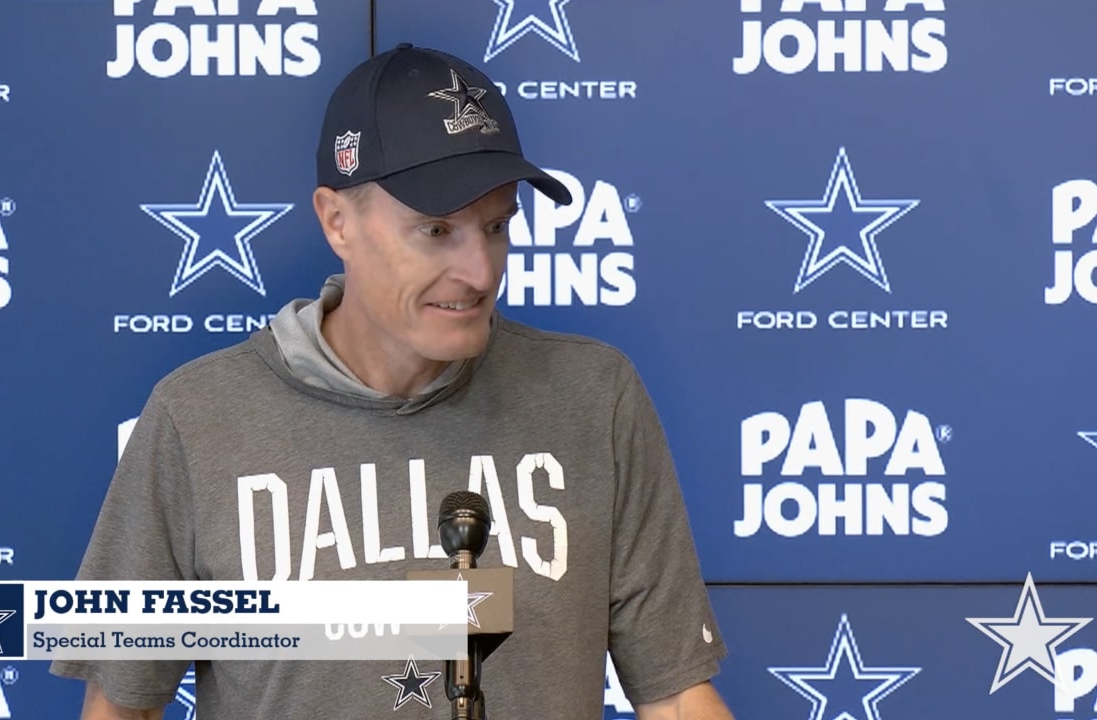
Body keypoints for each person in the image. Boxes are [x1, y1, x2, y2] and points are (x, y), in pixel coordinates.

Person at [50, 43, 735, 720]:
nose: (479, 270)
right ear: (336, 220)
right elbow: (123, 707)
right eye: (436, 230)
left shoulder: (594, 397)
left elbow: (674, 696)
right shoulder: (196, 419)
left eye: (496, 226)